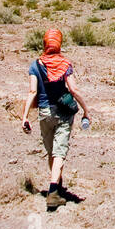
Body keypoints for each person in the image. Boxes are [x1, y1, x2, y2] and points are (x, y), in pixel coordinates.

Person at [22, 28, 90, 210]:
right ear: (58, 44)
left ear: (45, 43)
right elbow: (73, 90)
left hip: (44, 113)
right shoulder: (65, 64)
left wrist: (24, 116)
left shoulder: (35, 65)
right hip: (63, 113)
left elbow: (32, 91)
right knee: (59, 152)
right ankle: (53, 191)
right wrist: (86, 110)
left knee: (52, 151)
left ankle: (57, 184)